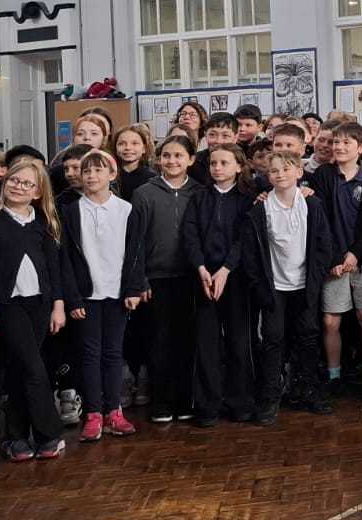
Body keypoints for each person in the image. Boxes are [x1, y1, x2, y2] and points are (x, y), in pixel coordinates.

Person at [0, 157, 66, 463]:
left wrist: (58, 305)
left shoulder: (44, 223)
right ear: (4, 183)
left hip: (40, 304)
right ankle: (49, 434)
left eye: (27, 184)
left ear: (38, 192)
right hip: (6, 306)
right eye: (15, 181)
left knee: (22, 371)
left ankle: (16, 437)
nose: (19, 187)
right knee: (34, 369)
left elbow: (53, 268)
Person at [240, 149, 334, 424]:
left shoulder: (312, 205)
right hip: (274, 288)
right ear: (267, 176)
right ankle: (270, 397)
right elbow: (252, 254)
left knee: (307, 337)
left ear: (299, 172)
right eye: (274, 170)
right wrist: (260, 285)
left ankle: (309, 390)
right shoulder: (260, 208)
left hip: (305, 286)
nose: (280, 174)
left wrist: (315, 279)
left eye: (286, 168)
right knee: (273, 340)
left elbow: (323, 245)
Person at [59, 150, 145, 441]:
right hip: (86, 296)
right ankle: (93, 413)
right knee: (89, 354)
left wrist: (133, 288)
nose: (91, 176)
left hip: (117, 293)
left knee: (113, 353)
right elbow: (66, 259)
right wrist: (73, 298)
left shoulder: (126, 210)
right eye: (86, 172)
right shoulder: (71, 211)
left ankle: (114, 411)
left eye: (98, 170)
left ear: (112, 175)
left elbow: (135, 253)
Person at [312, 121, 362, 401]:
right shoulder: (322, 176)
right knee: (331, 321)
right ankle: (334, 374)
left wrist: (355, 253)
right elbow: (320, 220)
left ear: (360, 148)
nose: (339, 147)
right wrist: (335, 256)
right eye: (336, 142)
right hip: (333, 261)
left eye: (347, 143)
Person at [131, 135, 205, 424]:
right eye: (166, 156)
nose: (172, 161)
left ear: (190, 160)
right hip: (156, 279)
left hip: (189, 277)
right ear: (158, 159)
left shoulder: (199, 192)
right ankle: (161, 403)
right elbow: (135, 242)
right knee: (158, 341)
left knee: (187, 341)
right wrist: (141, 280)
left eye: (178, 156)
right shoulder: (144, 193)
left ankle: (185, 399)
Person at [182, 144, 257, 425]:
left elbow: (245, 239)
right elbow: (190, 235)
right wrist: (201, 268)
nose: (218, 168)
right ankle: (208, 405)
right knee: (207, 342)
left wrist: (226, 269)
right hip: (204, 278)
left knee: (239, 341)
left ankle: (241, 402)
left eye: (224, 163)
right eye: (213, 163)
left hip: (235, 278)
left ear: (238, 166)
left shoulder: (248, 198)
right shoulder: (199, 197)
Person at [111, 123, 155, 200]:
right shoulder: (109, 176)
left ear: (144, 148)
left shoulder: (152, 178)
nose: (128, 147)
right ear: (115, 148)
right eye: (121, 144)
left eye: (134, 143)